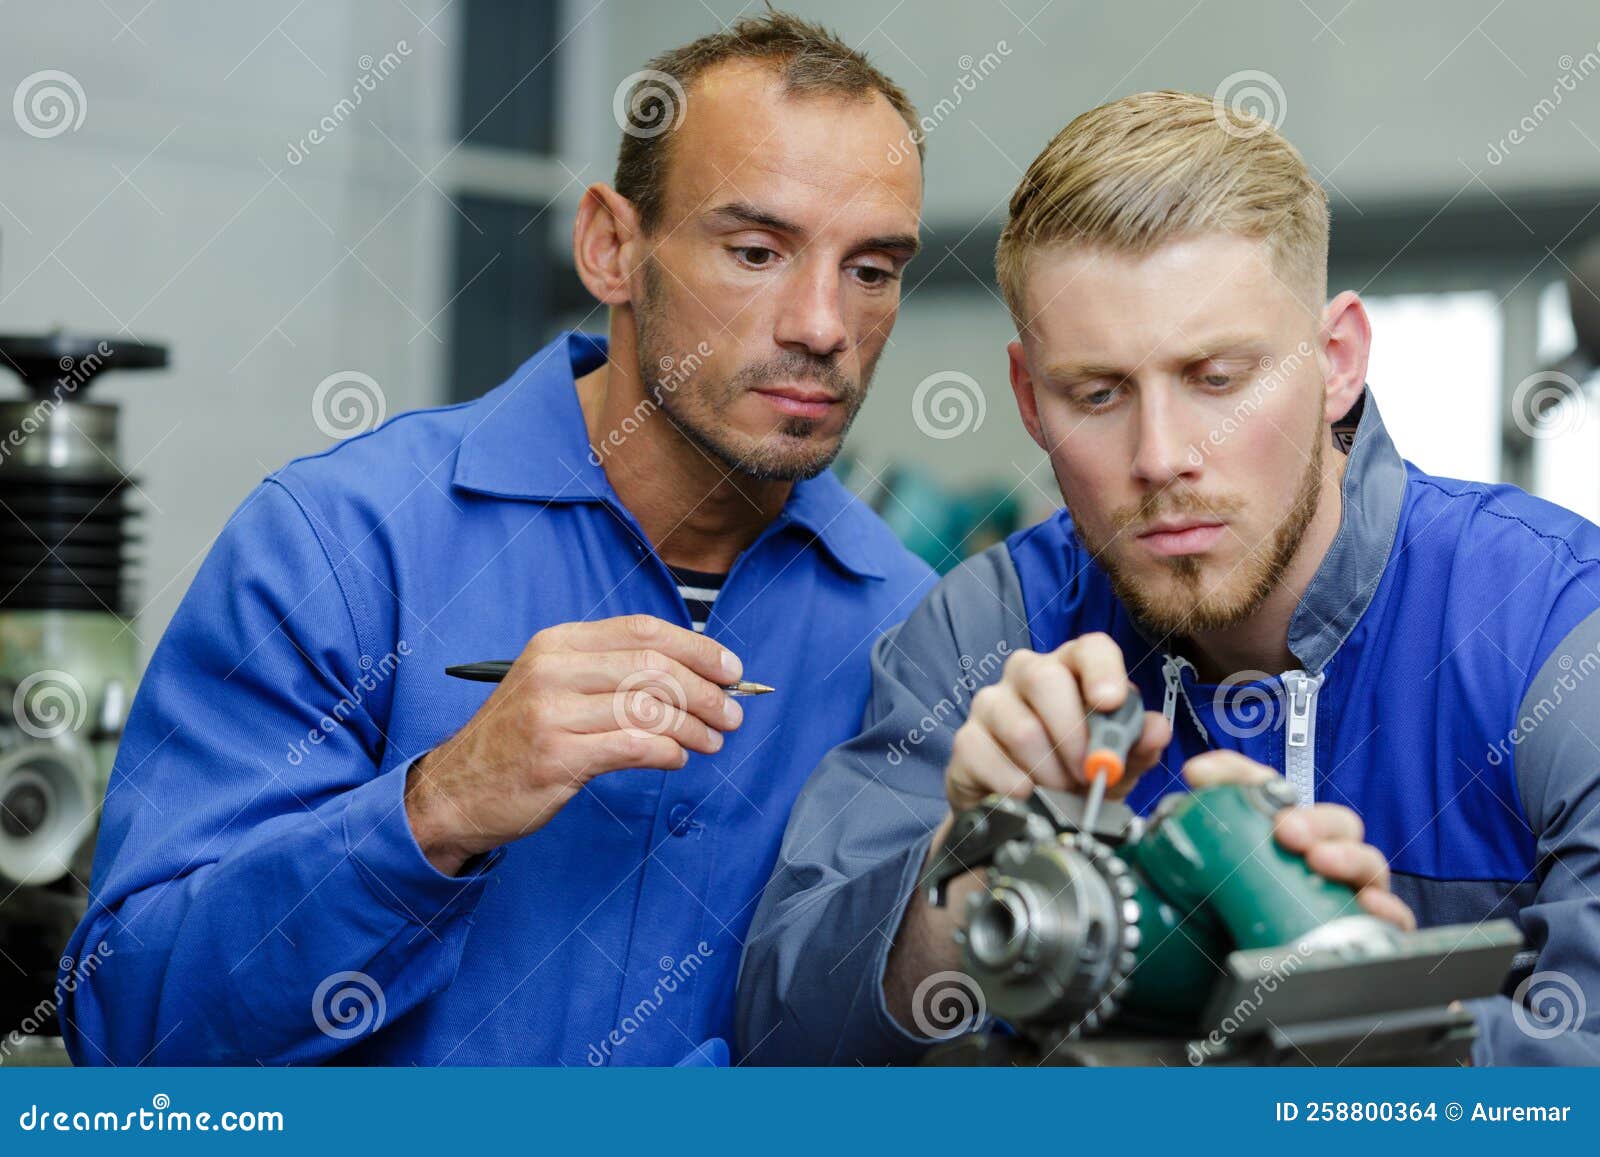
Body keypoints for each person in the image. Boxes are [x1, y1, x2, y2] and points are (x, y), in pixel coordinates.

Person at [60, 11, 935, 1066]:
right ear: (611, 247)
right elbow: (131, 1028)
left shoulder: (913, 631)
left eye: (871, 269)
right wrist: (441, 802)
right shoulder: (342, 546)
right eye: (756, 250)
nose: (823, 324)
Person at [737, 90, 1600, 1065]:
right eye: (1096, 394)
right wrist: (976, 875)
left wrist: (1367, 1034)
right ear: (1029, 397)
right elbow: (780, 1047)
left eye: (1217, 379)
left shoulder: (1554, 631)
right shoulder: (989, 630)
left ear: (1337, 360)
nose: (1160, 456)